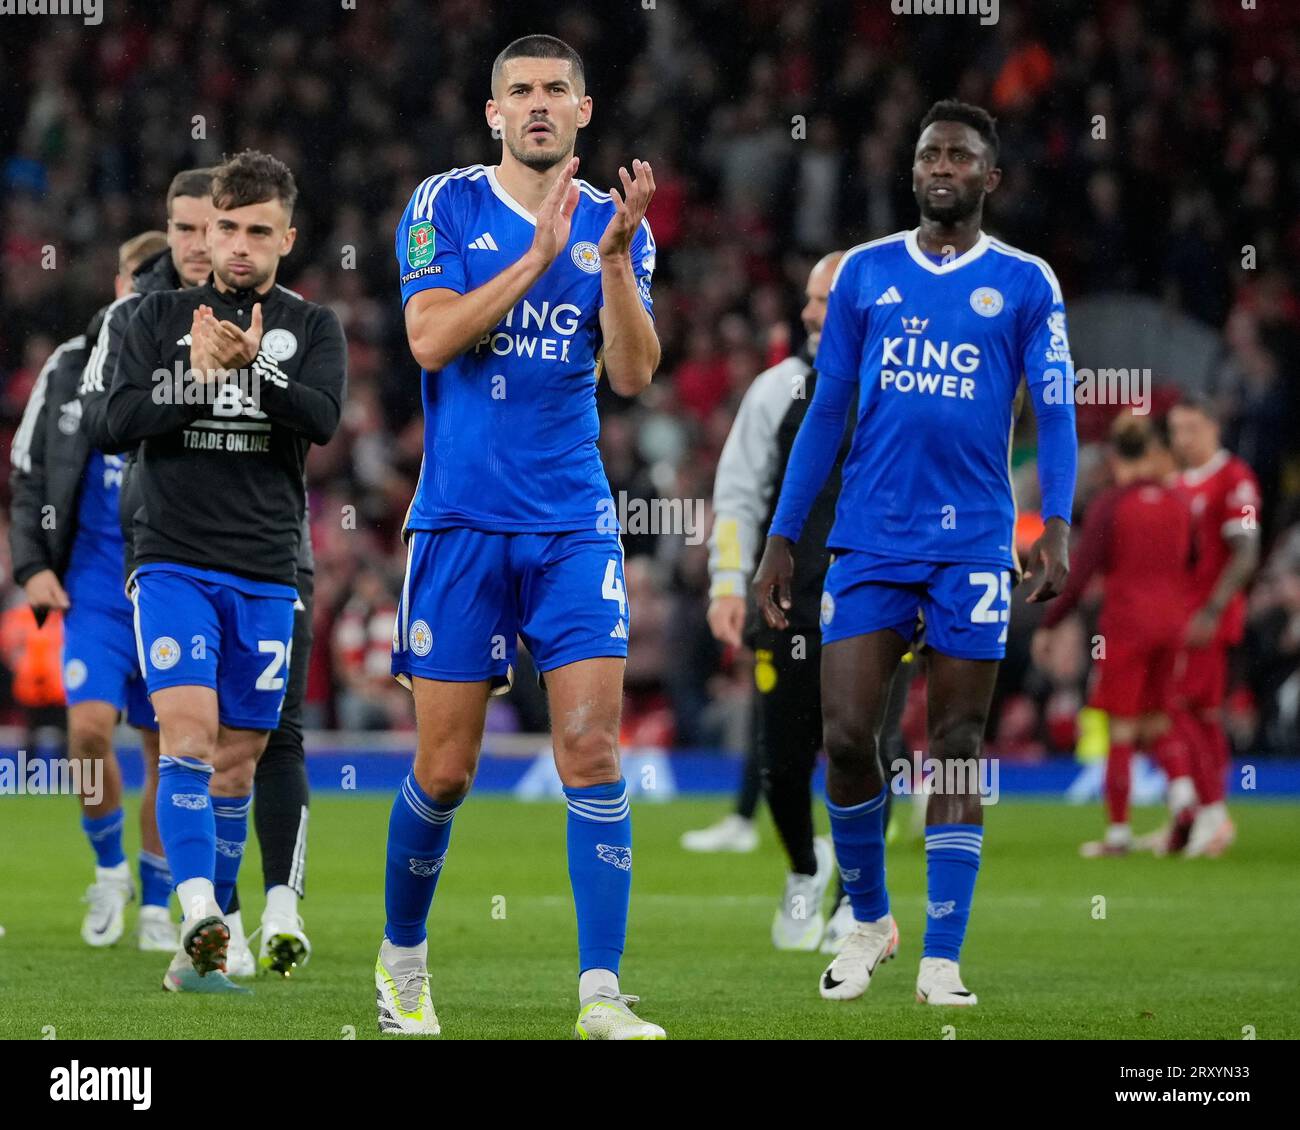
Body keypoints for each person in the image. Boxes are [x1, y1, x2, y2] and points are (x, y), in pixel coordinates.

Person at [754, 100, 1077, 1007]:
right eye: (931, 153)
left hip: (973, 543)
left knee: (960, 745)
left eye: (962, 156)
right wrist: (782, 539)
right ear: (914, 172)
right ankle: (867, 920)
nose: (944, 166)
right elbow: (827, 411)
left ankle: (943, 955)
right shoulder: (864, 274)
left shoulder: (1025, 282)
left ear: (990, 177)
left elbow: (1054, 409)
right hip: (867, 540)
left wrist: (1054, 523)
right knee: (850, 738)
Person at [383, 34, 662, 1039]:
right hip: (458, 522)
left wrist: (616, 264)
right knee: (446, 770)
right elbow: (429, 337)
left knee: (590, 751)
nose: (537, 104)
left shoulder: (612, 222)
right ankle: (403, 958)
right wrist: (537, 263)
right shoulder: (442, 205)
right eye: (520, 91)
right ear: (492, 111)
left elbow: (632, 374)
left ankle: (600, 993)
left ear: (584, 111)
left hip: (571, 523)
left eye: (555, 90)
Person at [104, 150, 346, 990]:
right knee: (188, 738)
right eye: (224, 228)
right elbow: (116, 420)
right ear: (204, 230)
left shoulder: (315, 328)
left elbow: (320, 420)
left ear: (286, 236)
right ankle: (202, 906)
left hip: (268, 568)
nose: (237, 245)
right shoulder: (153, 315)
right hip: (172, 557)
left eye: (255, 230)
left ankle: (210, 941)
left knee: (242, 760)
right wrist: (195, 380)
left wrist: (252, 369)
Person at [9, 230, 176, 954]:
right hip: (93, 590)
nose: (140, 291)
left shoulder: (184, 367)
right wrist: (31, 564)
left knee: (172, 751)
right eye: (132, 278)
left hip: (171, 581)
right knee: (85, 735)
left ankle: (158, 902)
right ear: (116, 282)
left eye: (154, 281)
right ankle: (110, 871)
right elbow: (27, 469)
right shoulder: (71, 366)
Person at [706, 251, 846, 948]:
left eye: (822, 300)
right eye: (810, 299)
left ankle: (858, 898)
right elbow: (737, 496)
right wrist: (726, 583)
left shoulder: (895, 386)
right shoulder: (778, 390)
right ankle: (804, 868)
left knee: (860, 750)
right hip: (783, 601)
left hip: (868, 598)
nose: (808, 313)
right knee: (782, 761)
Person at [1033, 415, 1194, 857]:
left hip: (1127, 626)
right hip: (1172, 624)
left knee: (1121, 730)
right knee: (1158, 719)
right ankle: (1182, 801)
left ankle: (1119, 835)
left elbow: (1079, 573)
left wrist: (1049, 624)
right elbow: (1193, 562)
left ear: (1113, 456)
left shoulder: (1110, 505)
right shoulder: (1179, 502)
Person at [1166, 397, 1261, 857]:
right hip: (1174, 619)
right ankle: (1202, 812)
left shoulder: (1235, 479)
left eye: (1190, 428)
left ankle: (1212, 813)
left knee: (1185, 710)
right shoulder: (1178, 483)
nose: (1182, 439)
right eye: (1175, 429)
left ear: (1213, 426)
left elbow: (1246, 550)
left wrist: (1212, 610)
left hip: (1206, 621)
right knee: (1193, 715)